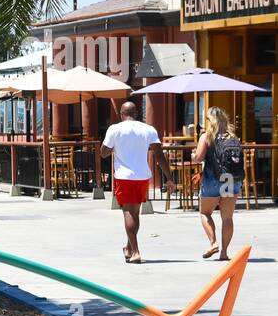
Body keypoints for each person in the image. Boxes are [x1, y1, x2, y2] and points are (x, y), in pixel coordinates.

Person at [101, 101, 176, 264]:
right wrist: (169, 178)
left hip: (123, 177)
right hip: (142, 176)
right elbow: (159, 155)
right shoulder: (148, 129)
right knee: (135, 213)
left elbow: (103, 153)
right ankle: (128, 248)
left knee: (128, 213)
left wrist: (114, 148)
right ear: (136, 114)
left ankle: (135, 251)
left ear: (121, 114)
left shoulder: (114, 129)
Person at [192, 106, 242, 261]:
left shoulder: (207, 136)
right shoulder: (232, 137)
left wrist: (194, 154)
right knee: (227, 218)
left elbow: (199, 158)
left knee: (204, 213)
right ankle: (224, 252)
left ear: (209, 121)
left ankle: (213, 243)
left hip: (213, 180)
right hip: (230, 180)